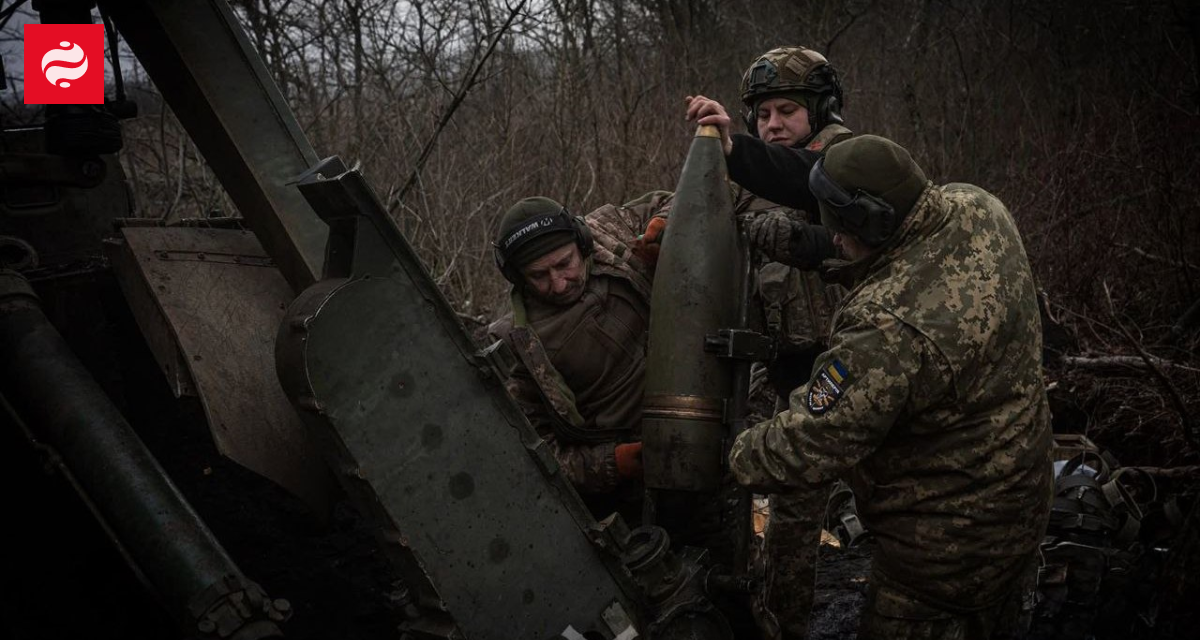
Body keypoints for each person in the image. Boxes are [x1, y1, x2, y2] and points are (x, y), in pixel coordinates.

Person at [727, 134, 1053, 639]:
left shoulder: (884, 327)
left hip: (938, 559)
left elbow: (813, 441)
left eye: (840, 229)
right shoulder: (978, 205)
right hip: (1022, 511)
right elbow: (905, 264)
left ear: (873, 221)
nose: (832, 236)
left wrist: (730, 452)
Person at [686, 46, 852, 639]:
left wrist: (735, 150)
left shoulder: (847, 161)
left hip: (856, 374)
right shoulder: (754, 173)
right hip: (780, 371)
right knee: (781, 511)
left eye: (787, 110)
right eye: (763, 115)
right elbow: (696, 206)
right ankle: (776, 620)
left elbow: (806, 185)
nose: (773, 124)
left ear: (823, 109)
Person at [486, 193, 671, 522]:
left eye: (563, 264)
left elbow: (682, 196)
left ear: (582, 243)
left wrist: (665, 227)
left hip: (699, 404)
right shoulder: (521, 348)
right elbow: (537, 453)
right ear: (516, 277)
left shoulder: (610, 230)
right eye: (539, 276)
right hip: (638, 477)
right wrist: (612, 462)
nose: (558, 284)